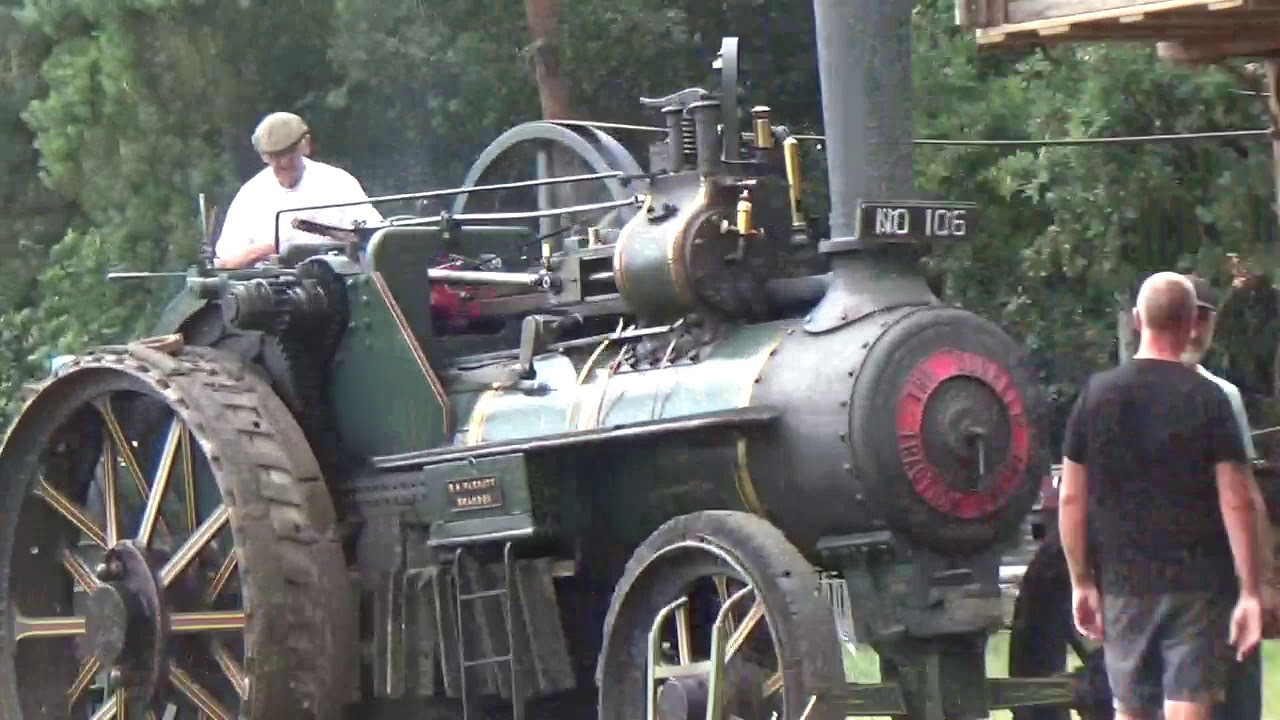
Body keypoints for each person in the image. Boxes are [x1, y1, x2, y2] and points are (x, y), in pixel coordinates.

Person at [1059, 271, 1264, 720]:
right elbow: (1237, 500)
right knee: (1189, 707)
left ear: (1137, 319)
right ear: (1192, 321)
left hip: (1124, 585)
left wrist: (1081, 581)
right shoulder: (1210, 399)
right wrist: (1251, 589)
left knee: (1131, 711)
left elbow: (1072, 498)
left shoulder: (1096, 396)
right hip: (1199, 587)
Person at [1178, 274, 1277, 720]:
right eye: (1187, 318)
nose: (1195, 331)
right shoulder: (1118, 393)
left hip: (1220, 581)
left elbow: (1245, 495)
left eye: (1204, 319)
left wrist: (1263, 584)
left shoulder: (1224, 395)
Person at [214, 111, 384, 268]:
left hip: (337, 285)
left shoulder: (338, 183)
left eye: (286, 154)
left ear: (305, 145)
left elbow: (377, 241)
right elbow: (225, 263)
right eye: (271, 156)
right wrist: (257, 252)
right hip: (272, 292)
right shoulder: (251, 195)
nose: (280, 164)